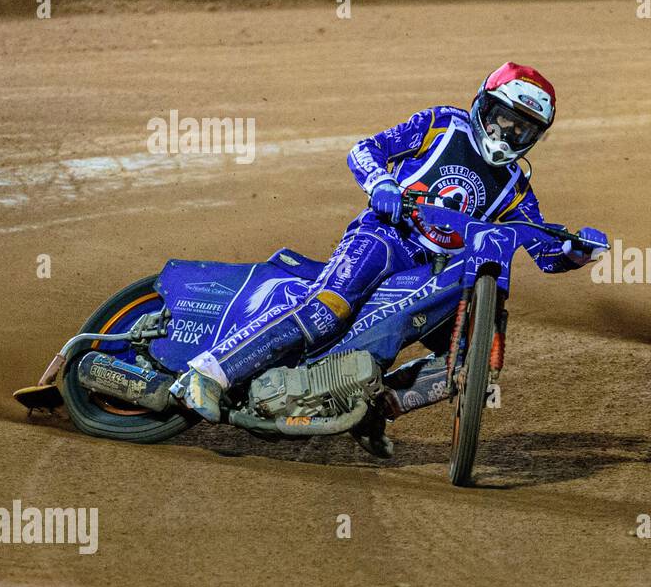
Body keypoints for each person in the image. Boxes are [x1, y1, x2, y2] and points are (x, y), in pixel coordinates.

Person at [172, 63, 607, 420]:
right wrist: (381, 182)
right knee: (329, 309)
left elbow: (546, 252)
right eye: (503, 119)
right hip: (384, 237)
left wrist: (576, 251)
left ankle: (373, 412)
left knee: (478, 362)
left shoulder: (515, 188)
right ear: (482, 106)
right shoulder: (442, 125)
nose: (508, 135)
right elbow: (365, 150)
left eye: (523, 131)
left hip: (434, 274)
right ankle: (209, 374)